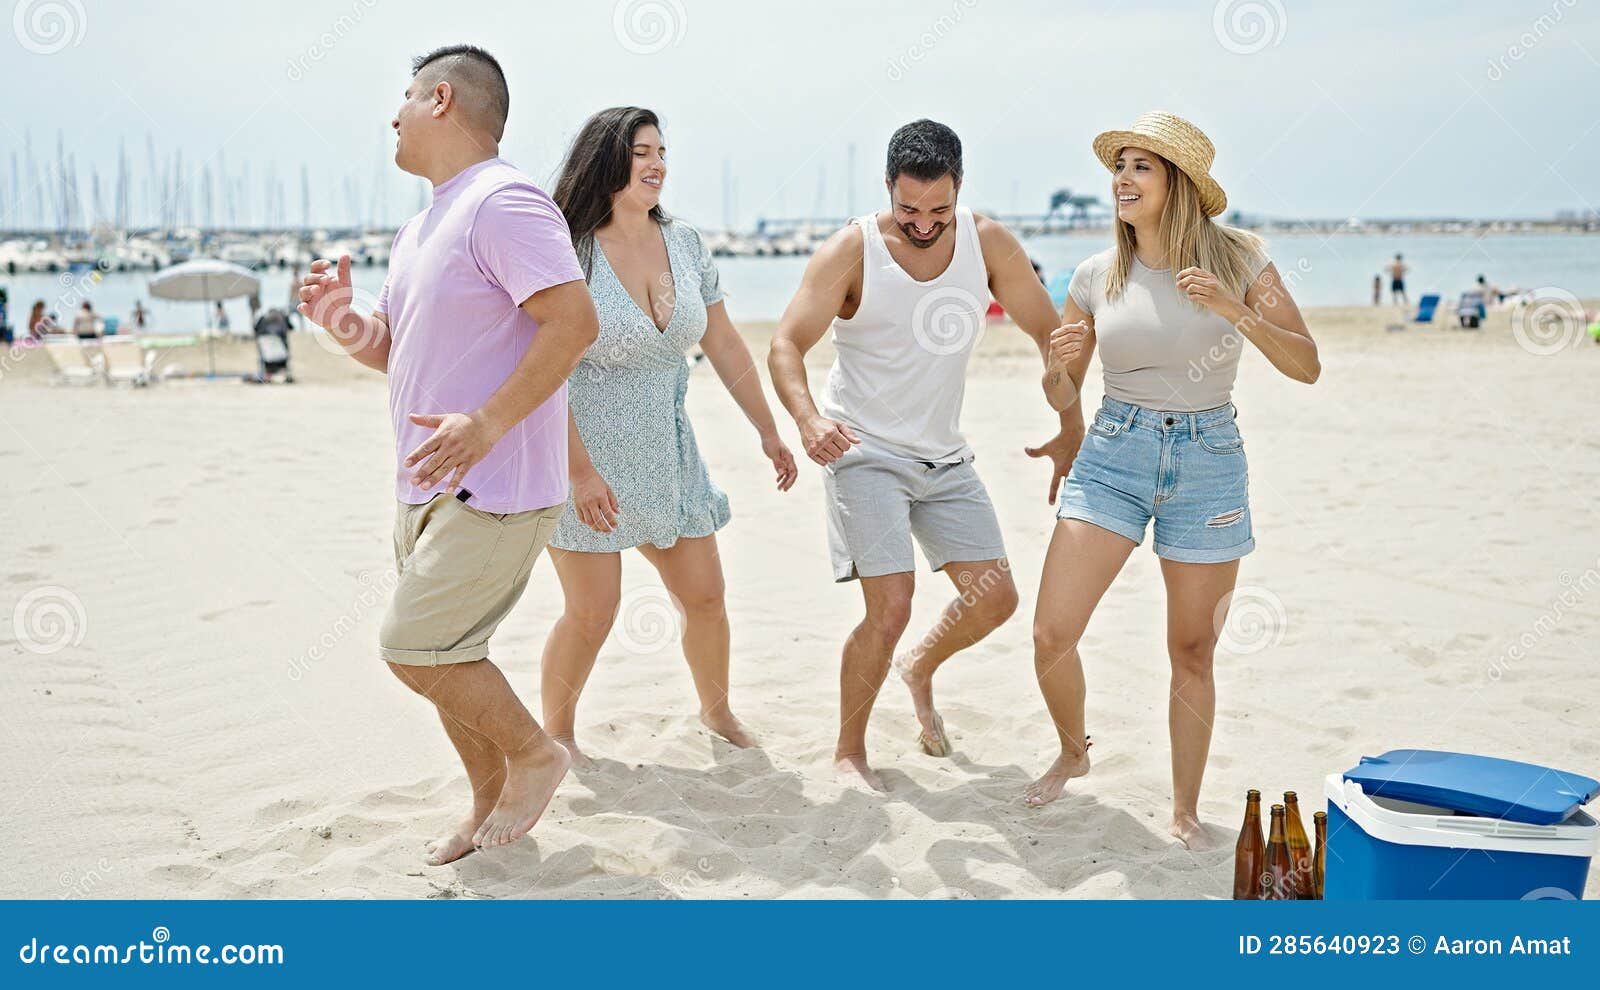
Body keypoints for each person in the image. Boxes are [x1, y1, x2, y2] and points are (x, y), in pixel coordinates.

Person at [297, 44, 600, 865]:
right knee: (451, 655)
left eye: (402, 97)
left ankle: (537, 756)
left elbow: (575, 323)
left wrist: (488, 423)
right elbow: (396, 348)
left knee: (411, 645)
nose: (390, 116)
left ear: (440, 98)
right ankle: (486, 803)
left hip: (495, 485)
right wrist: (341, 320)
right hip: (427, 485)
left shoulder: (505, 203)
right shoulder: (425, 221)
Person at [1026, 112, 1320, 849]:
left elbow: (1307, 363)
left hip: (1208, 457)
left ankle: (1185, 811)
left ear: (1177, 183)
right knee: (1051, 631)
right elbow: (1066, 395)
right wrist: (1057, 371)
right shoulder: (1096, 276)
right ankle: (1073, 749)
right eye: (1118, 167)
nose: (1121, 180)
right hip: (1113, 452)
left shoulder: (1243, 258)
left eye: (1139, 167)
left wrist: (1234, 310)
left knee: (1192, 649)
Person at [768, 119, 1080, 792]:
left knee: (995, 598)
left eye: (938, 209)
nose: (923, 222)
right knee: (891, 604)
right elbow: (785, 344)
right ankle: (849, 752)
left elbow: (1050, 336)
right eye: (908, 208)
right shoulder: (849, 251)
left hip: (943, 456)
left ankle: (920, 667)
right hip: (861, 448)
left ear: (959, 189)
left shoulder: (987, 241)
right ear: (889, 188)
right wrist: (807, 418)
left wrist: (1071, 426)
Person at [540, 107, 798, 762]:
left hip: (669, 452)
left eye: (662, 152)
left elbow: (726, 343)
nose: (657, 165)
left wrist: (769, 432)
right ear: (606, 160)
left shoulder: (684, 244)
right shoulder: (568, 248)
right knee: (593, 612)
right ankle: (556, 735)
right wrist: (578, 471)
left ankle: (717, 713)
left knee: (706, 597)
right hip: (583, 459)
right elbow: (544, 372)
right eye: (642, 152)